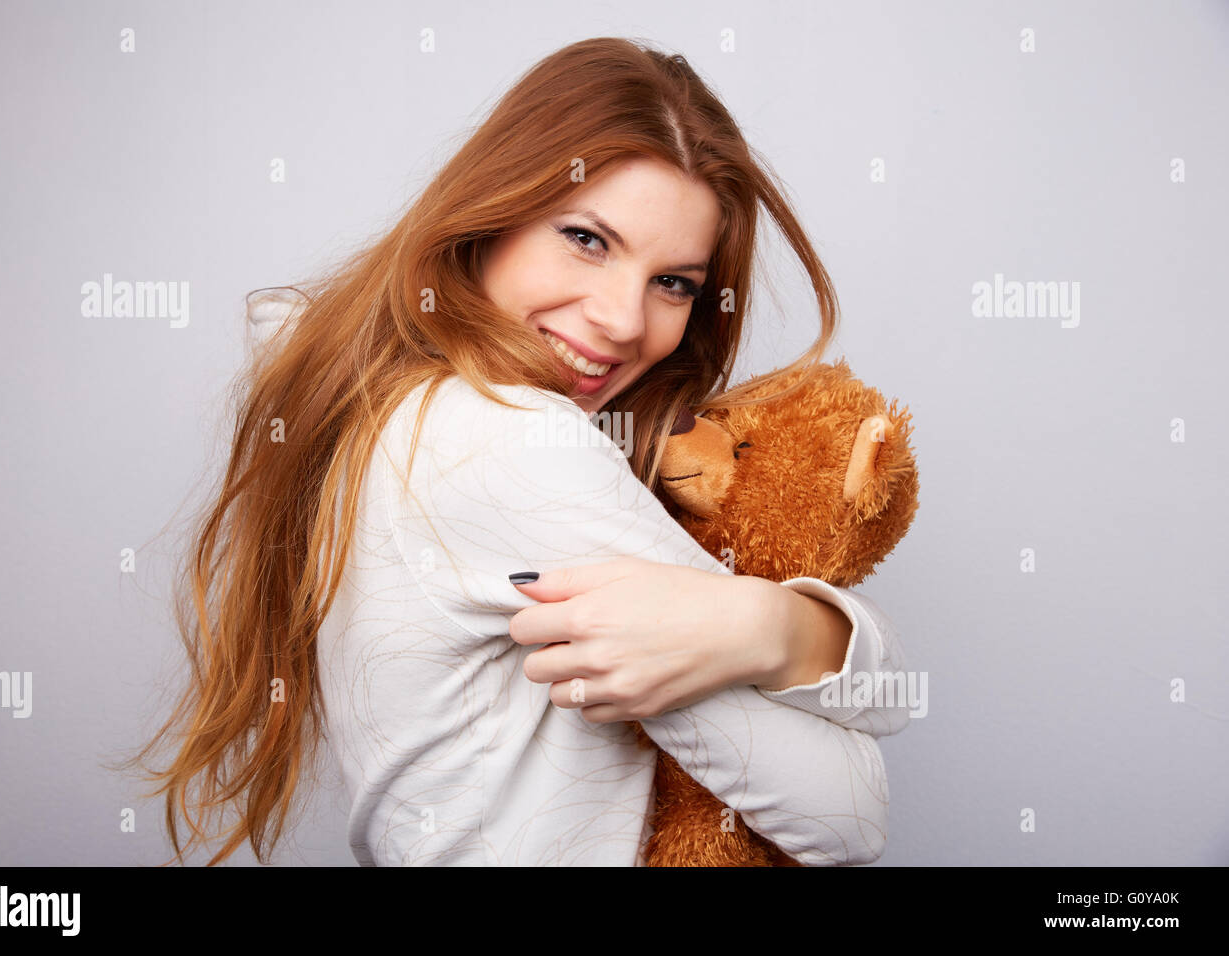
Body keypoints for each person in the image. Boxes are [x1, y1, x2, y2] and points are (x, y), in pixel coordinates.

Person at [130, 36, 911, 867]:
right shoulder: (501, 441)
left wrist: (776, 624)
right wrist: (776, 627)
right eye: (586, 238)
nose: (621, 319)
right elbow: (849, 817)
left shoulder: (394, 408)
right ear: (490, 212)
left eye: (673, 282)